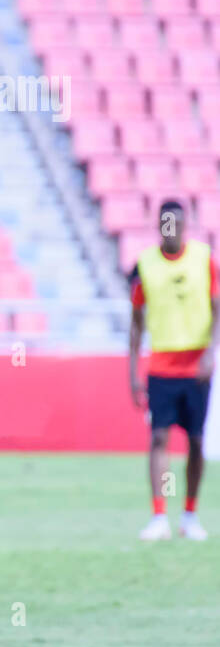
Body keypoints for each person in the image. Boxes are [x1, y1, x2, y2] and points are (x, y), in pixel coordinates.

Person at [129, 199, 215, 541]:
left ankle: (190, 514)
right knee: (159, 437)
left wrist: (211, 351)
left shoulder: (203, 260)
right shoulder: (145, 265)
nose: (171, 229)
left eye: (176, 223)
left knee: (195, 440)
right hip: (162, 363)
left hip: (197, 366)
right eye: (165, 223)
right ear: (158, 226)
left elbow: (217, 307)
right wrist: (132, 372)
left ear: (185, 225)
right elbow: (135, 324)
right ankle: (159, 515)